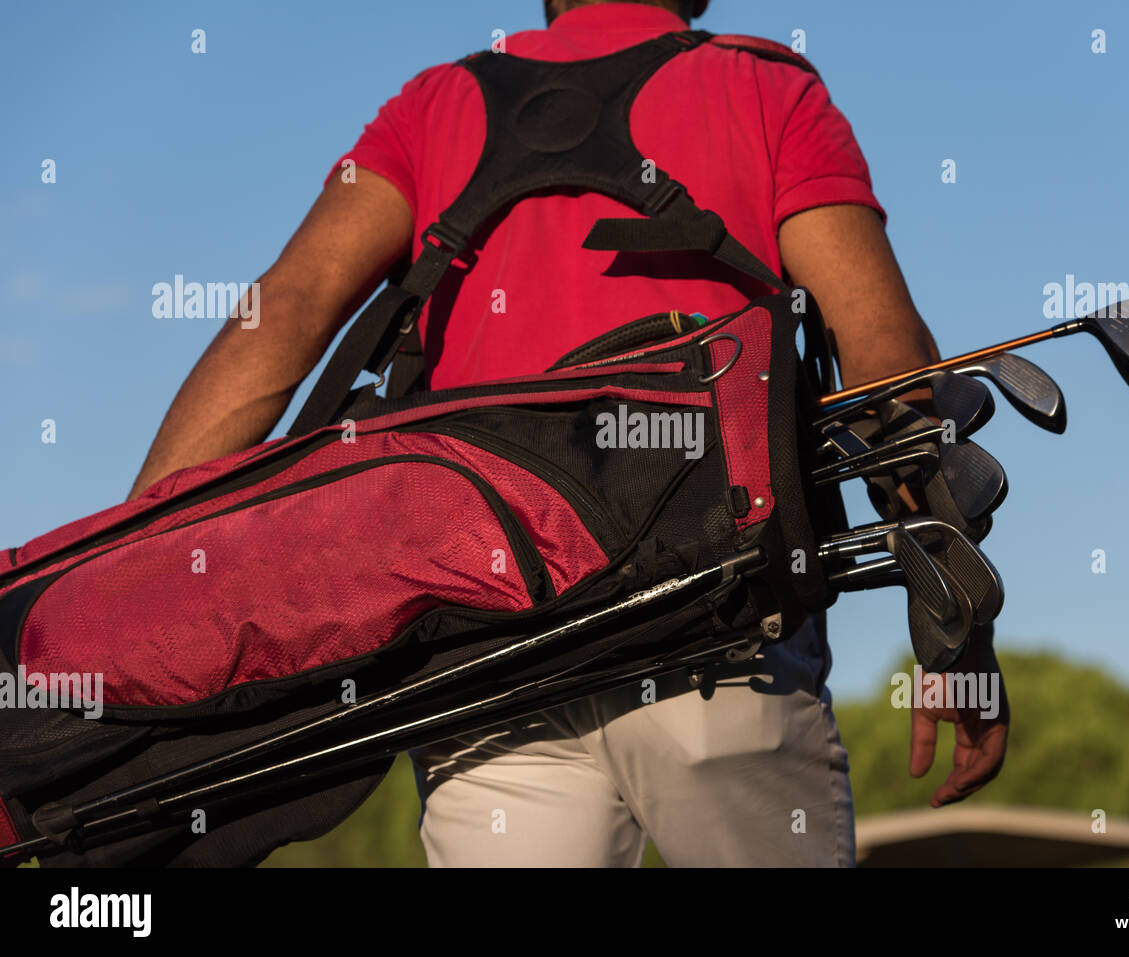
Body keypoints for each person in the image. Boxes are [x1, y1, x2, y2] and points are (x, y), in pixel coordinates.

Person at [127, 0, 1009, 867]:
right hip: (721, 625)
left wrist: (129, 582)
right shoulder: (762, 85)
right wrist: (955, 629)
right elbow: (885, 352)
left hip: (490, 656)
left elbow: (282, 312)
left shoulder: (436, 106)